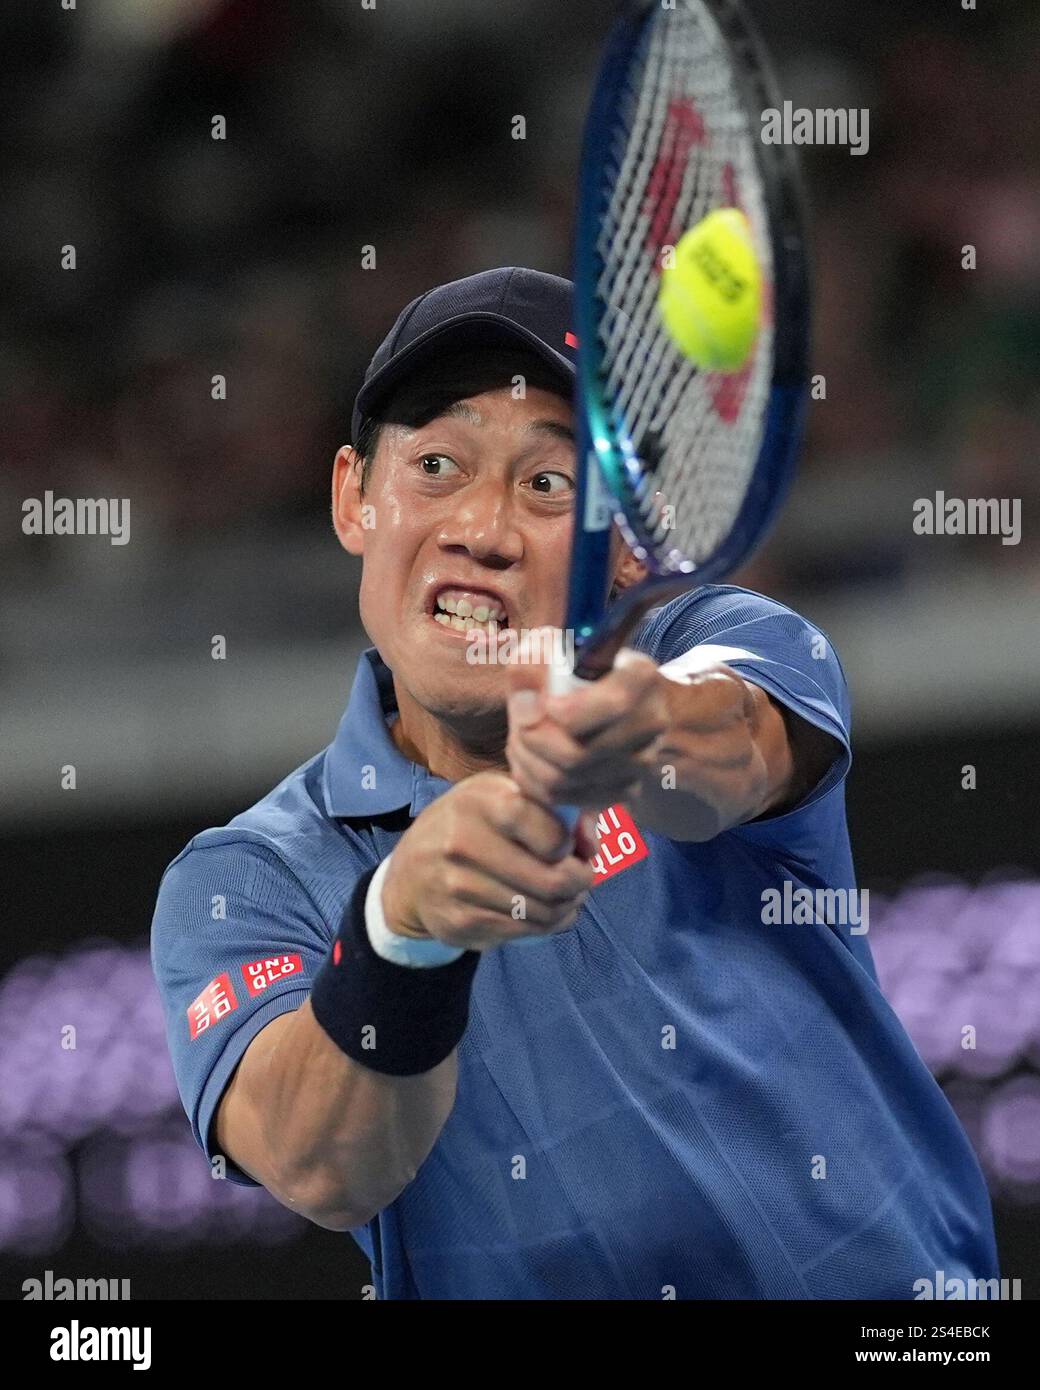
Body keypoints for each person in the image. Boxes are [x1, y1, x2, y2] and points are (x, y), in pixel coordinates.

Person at [151, 267, 998, 1299]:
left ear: (630, 548)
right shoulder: (243, 877)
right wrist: (397, 932)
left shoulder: (714, 643)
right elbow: (320, 1164)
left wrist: (633, 730)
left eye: (548, 485)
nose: (482, 528)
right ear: (352, 499)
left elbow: (729, 739)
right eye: (435, 464)